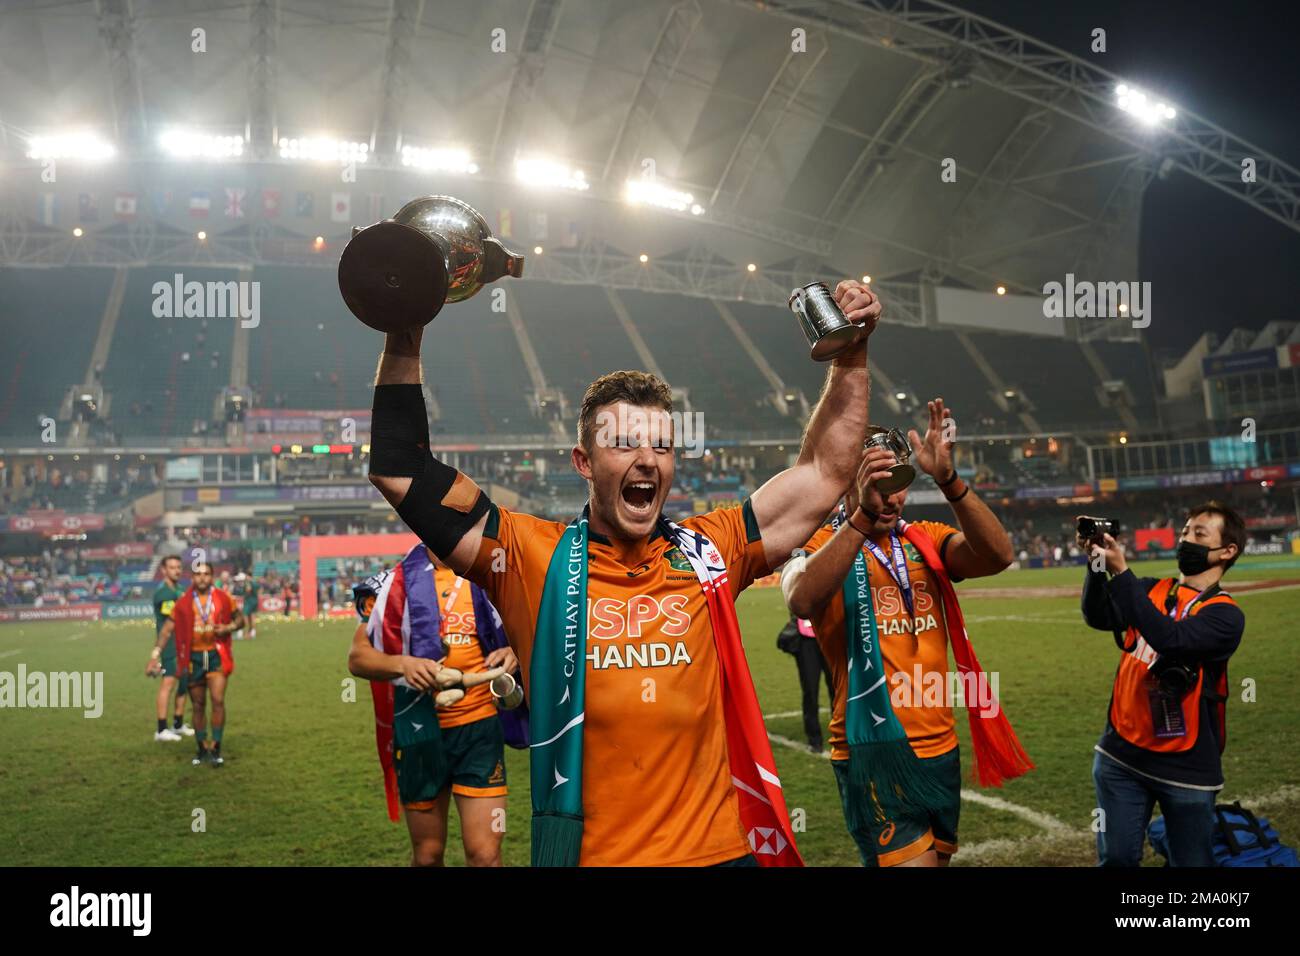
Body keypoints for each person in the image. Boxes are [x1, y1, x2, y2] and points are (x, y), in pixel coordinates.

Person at [365, 278, 882, 866]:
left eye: (661, 447)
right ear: (583, 462)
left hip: (721, 854)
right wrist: (405, 332)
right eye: (625, 444)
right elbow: (400, 467)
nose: (646, 460)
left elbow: (825, 471)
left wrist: (852, 353)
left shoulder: (712, 549)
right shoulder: (527, 554)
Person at [784, 399, 1031, 867]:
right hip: (871, 751)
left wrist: (949, 481)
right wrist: (858, 520)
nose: (891, 498)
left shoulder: (926, 539)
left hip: (940, 747)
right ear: (850, 486)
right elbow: (799, 597)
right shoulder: (819, 543)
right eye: (878, 484)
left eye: (899, 483)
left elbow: (997, 556)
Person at [1080, 502, 1246, 867]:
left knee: (1192, 864)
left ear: (1228, 551)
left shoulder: (1225, 615)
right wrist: (1096, 564)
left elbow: (1170, 638)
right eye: (1185, 531)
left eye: (1199, 534)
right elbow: (1099, 615)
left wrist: (1122, 572)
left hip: (1185, 768)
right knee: (1117, 861)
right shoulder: (1153, 588)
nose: (1186, 539)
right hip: (1119, 756)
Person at [348, 550, 526, 866]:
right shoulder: (393, 584)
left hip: (479, 731)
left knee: (485, 854)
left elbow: (532, 629)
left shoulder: (493, 578)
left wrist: (516, 650)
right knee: (428, 855)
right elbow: (358, 658)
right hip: (419, 734)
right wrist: (402, 664)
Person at [147, 562, 243, 767]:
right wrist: (155, 655)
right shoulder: (183, 603)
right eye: (198, 574)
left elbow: (240, 620)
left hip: (216, 655)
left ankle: (216, 747)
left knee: (218, 700)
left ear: (212, 576)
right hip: (193, 658)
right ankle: (201, 748)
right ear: (192, 578)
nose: (202, 578)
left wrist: (228, 627)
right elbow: (166, 631)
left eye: (206, 574)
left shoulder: (224, 599)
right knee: (198, 705)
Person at [149, 555, 193, 741]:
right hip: (170, 646)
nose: (176, 570)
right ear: (163, 570)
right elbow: (171, 623)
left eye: (178, 567)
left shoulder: (180, 590)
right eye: (172, 567)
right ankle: (160, 730)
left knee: (184, 683)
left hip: (184, 644)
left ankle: (177, 724)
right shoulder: (163, 594)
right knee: (168, 684)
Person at [777, 614, 832, 753]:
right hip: (807, 639)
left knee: (837, 690)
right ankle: (814, 740)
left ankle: (843, 734)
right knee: (810, 691)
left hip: (830, 634)